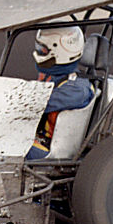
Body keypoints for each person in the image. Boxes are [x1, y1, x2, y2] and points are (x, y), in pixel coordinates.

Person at [26, 25, 95, 160]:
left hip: (50, 150)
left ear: (60, 51)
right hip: (35, 136)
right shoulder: (55, 77)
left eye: (43, 50)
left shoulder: (77, 89)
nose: (39, 53)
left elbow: (32, 104)